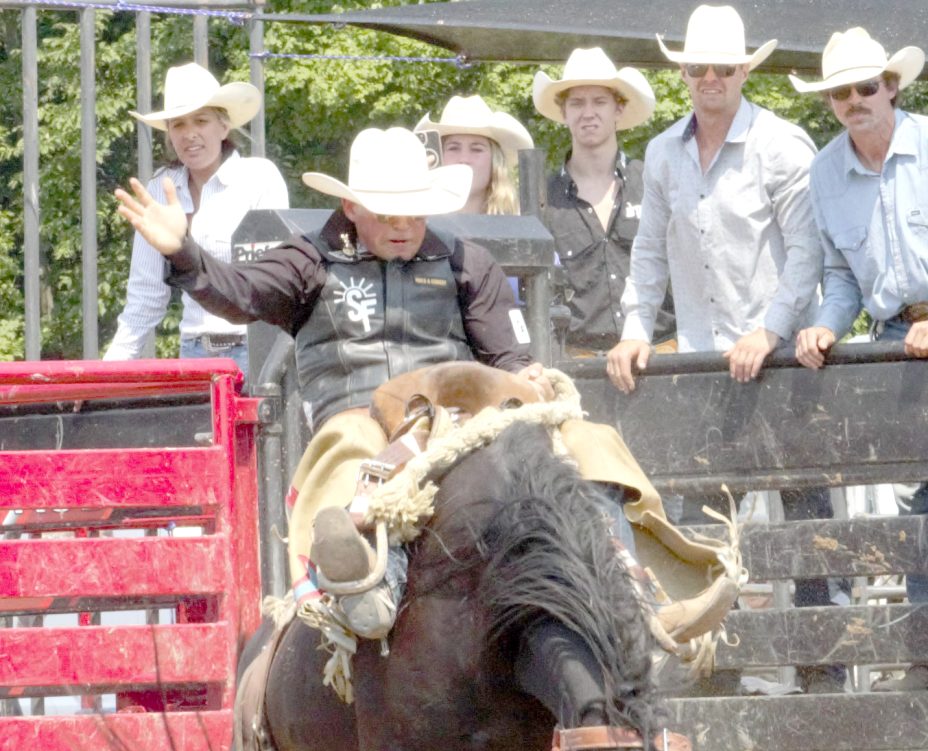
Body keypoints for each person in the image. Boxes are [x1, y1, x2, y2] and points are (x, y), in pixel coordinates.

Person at [113, 125, 737, 646]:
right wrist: (185, 253)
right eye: (387, 211)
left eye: (413, 209)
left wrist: (527, 377)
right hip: (358, 420)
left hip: (456, 424)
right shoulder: (308, 261)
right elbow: (239, 292)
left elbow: (508, 356)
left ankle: (633, 594)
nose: (403, 223)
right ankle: (360, 586)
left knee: (584, 437)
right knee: (349, 450)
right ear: (351, 207)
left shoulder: (467, 264)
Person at [607, 3, 847, 693]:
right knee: (702, 531)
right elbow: (648, 252)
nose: (709, 77)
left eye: (722, 67)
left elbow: (807, 252)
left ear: (745, 71)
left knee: (808, 526)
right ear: (683, 73)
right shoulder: (662, 153)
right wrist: (634, 328)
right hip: (705, 367)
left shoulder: (783, 144)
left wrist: (768, 329)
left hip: (787, 365)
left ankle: (824, 675)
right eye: (697, 67)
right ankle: (715, 679)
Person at [792, 28, 928, 691]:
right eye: (840, 92)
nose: (854, 100)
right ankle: (923, 657)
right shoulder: (824, 172)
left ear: (891, 87)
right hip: (892, 342)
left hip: (911, 337)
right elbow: (842, 277)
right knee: (914, 504)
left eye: (866, 87)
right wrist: (824, 324)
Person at [103, 62, 289, 372]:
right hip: (193, 352)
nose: (190, 134)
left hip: (256, 350)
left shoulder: (259, 179)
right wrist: (109, 371)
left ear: (224, 127)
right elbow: (145, 295)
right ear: (169, 134)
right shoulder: (160, 189)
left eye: (201, 121)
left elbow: (274, 284)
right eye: (178, 125)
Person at [532, 46, 673, 355]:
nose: (588, 112)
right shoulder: (542, 197)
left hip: (660, 353)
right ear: (563, 112)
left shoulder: (652, 181)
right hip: (577, 360)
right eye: (577, 103)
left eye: (599, 101)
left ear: (618, 109)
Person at [414, 94, 532, 215]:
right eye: (453, 148)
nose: (464, 159)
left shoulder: (518, 222)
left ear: (495, 161)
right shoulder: (414, 223)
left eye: (476, 149)